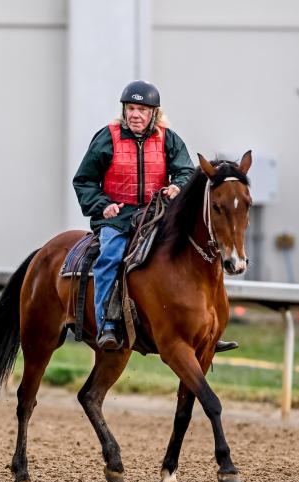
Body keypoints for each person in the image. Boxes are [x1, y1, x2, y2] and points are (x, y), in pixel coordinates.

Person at [73, 80, 237, 352]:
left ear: (154, 114)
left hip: (158, 214)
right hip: (117, 217)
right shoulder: (107, 138)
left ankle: (208, 326)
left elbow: (186, 171)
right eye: (130, 108)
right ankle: (108, 324)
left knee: (195, 253)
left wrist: (178, 186)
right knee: (110, 257)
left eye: (141, 109)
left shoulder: (168, 138)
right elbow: (84, 180)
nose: (135, 114)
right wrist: (103, 205)